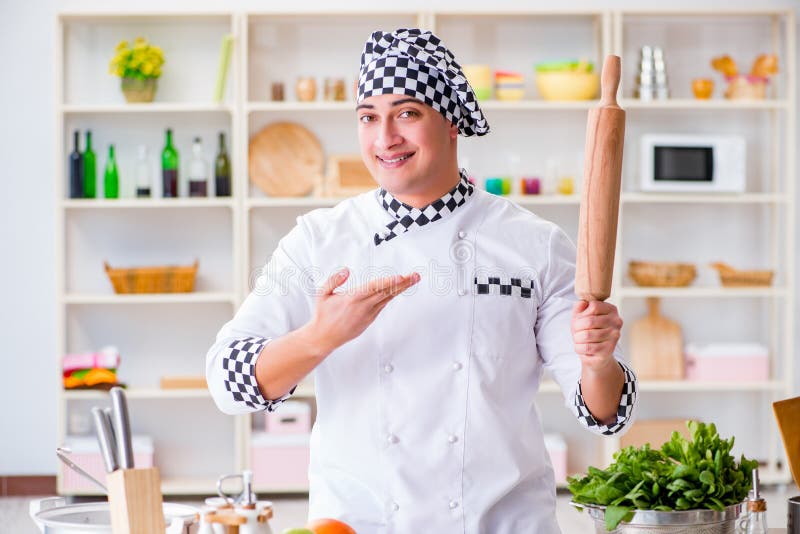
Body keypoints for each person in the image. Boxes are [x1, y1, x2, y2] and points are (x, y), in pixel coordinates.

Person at [207, 28, 637, 533]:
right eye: (368, 117)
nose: (385, 138)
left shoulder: (533, 244)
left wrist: (597, 359)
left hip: (501, 523)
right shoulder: (319, 241)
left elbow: (602, 412)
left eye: (407, 113)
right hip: (358, 525)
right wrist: (320, 337)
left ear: (452, 122)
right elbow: (225, 382)